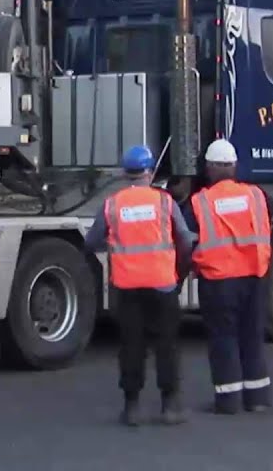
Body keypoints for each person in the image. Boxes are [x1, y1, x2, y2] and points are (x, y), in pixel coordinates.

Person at [84, 144, 196, 426]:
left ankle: (132, 407)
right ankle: (169, 405)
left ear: (125, 173)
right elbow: (184, 238)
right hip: (162, 283)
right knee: (166, 344)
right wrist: (179, 271)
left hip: (127, 286)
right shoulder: (164, 202)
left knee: (131, 345)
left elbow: (92, 242)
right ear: (150, 172)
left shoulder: (112, 204)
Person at [184, 139, 273, 414]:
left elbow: (185, 241)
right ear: (234, 166)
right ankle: (258, 398)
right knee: (251, 335)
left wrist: (181, 272)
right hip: (254, 277)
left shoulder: (199, 202)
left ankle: (228, 399)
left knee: (223, 338)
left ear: (210, 169)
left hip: (218, 281)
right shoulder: (255, 195)